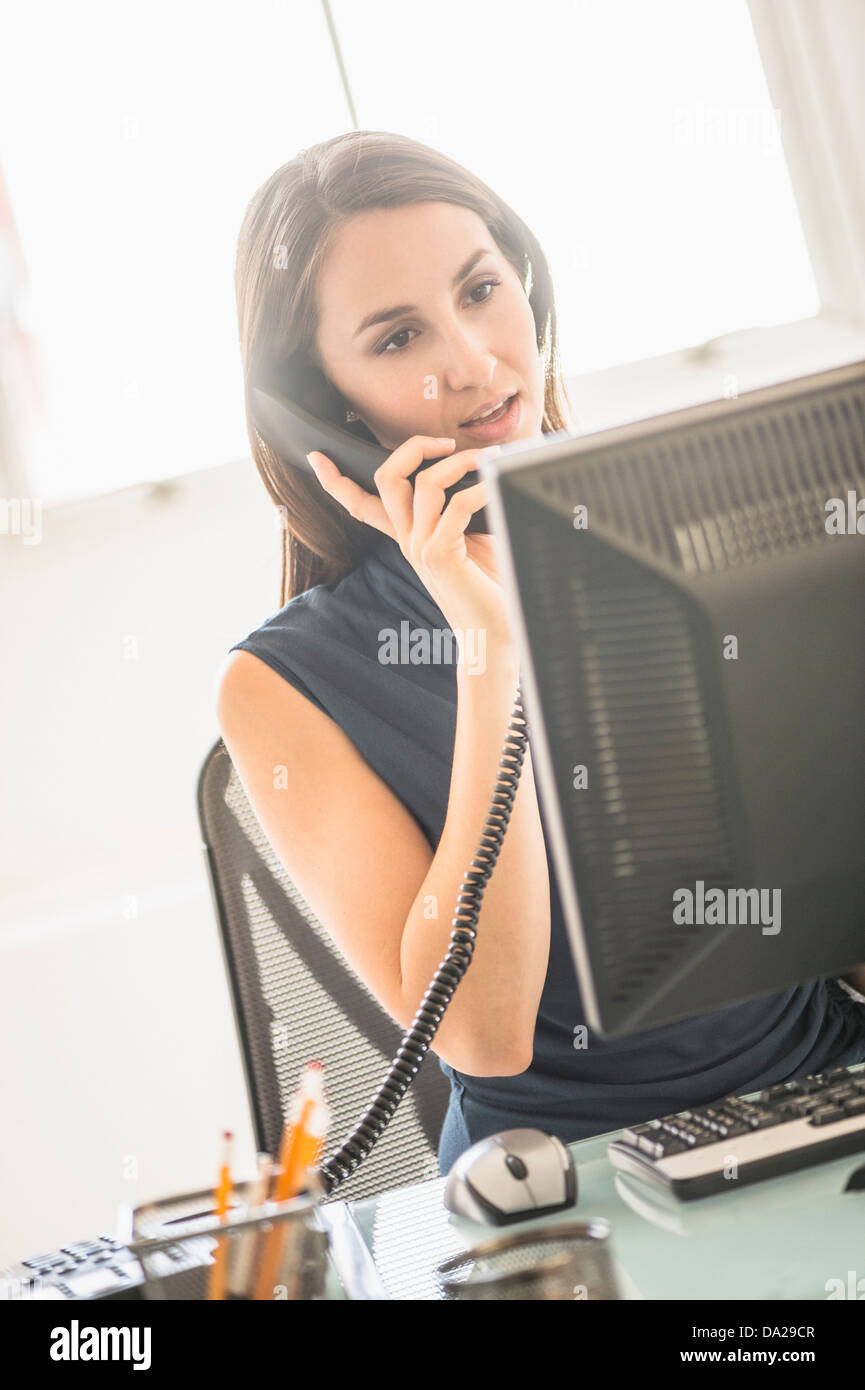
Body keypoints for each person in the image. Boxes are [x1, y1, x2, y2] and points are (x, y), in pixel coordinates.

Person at [216, 130, 865, 1178]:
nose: (471, 362)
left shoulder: (698, 526)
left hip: (825, 1099)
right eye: (395, 339)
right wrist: (490, 647)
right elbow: (482, 1032)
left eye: (481, 288)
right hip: (567, 1182)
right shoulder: (281, 688)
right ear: (320, 407)